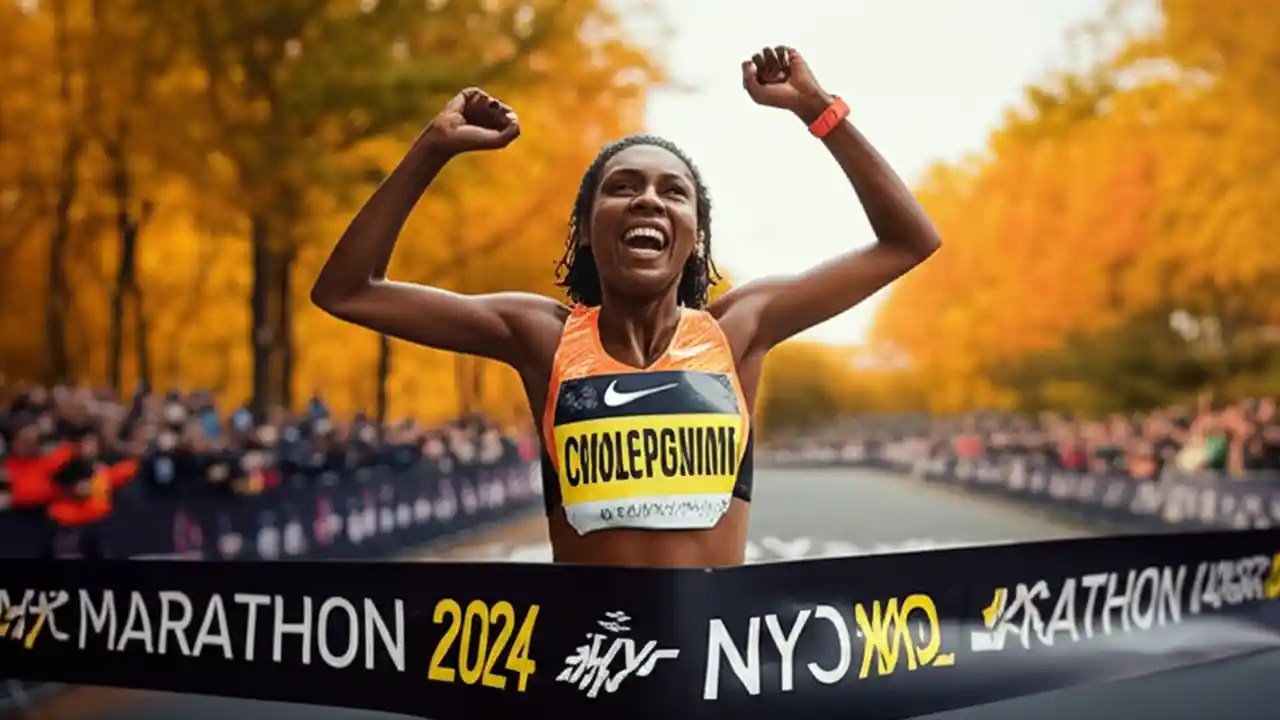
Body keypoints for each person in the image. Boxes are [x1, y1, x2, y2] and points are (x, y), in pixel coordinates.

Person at [312, 46, 941, 568]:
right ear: (587, 232)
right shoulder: (541, 336)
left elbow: (909, 240)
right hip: (591, 662)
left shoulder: (740, 327)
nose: (648, 200)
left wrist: (817, 108)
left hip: (712, 664)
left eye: (674, 192)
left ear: (696, 237)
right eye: (623, 187)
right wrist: (432, 148)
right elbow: (347, 290)